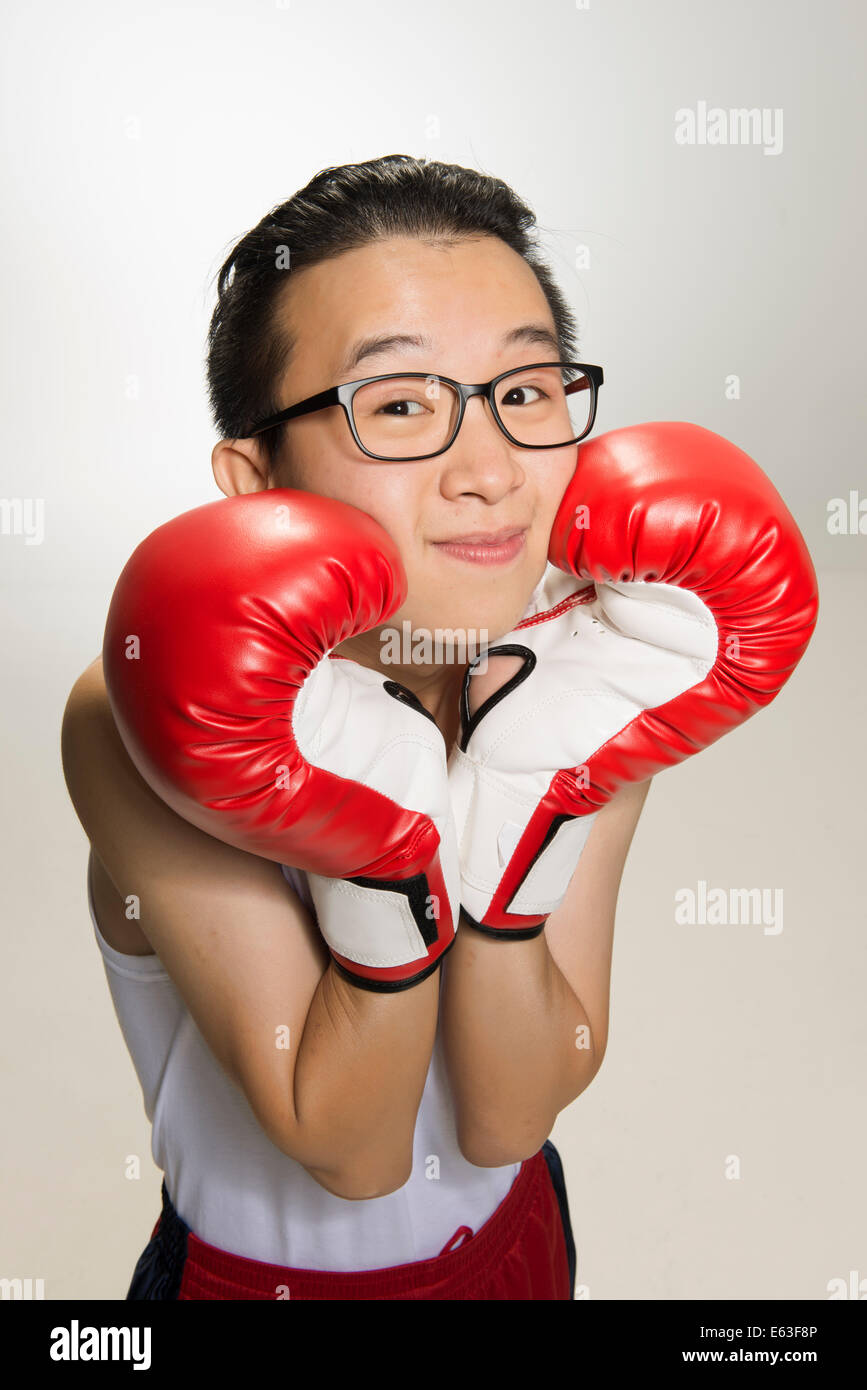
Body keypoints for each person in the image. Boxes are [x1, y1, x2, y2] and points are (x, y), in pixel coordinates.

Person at [60, 154, 816, 1300]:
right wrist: (388, 838)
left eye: (526, 391)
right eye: (401, 403)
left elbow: (513, 1110)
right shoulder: (135, 715)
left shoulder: (597, 666)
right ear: (253, 476)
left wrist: (529, 812)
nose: (491, 470)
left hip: (519, 1242)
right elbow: (346, 1143)